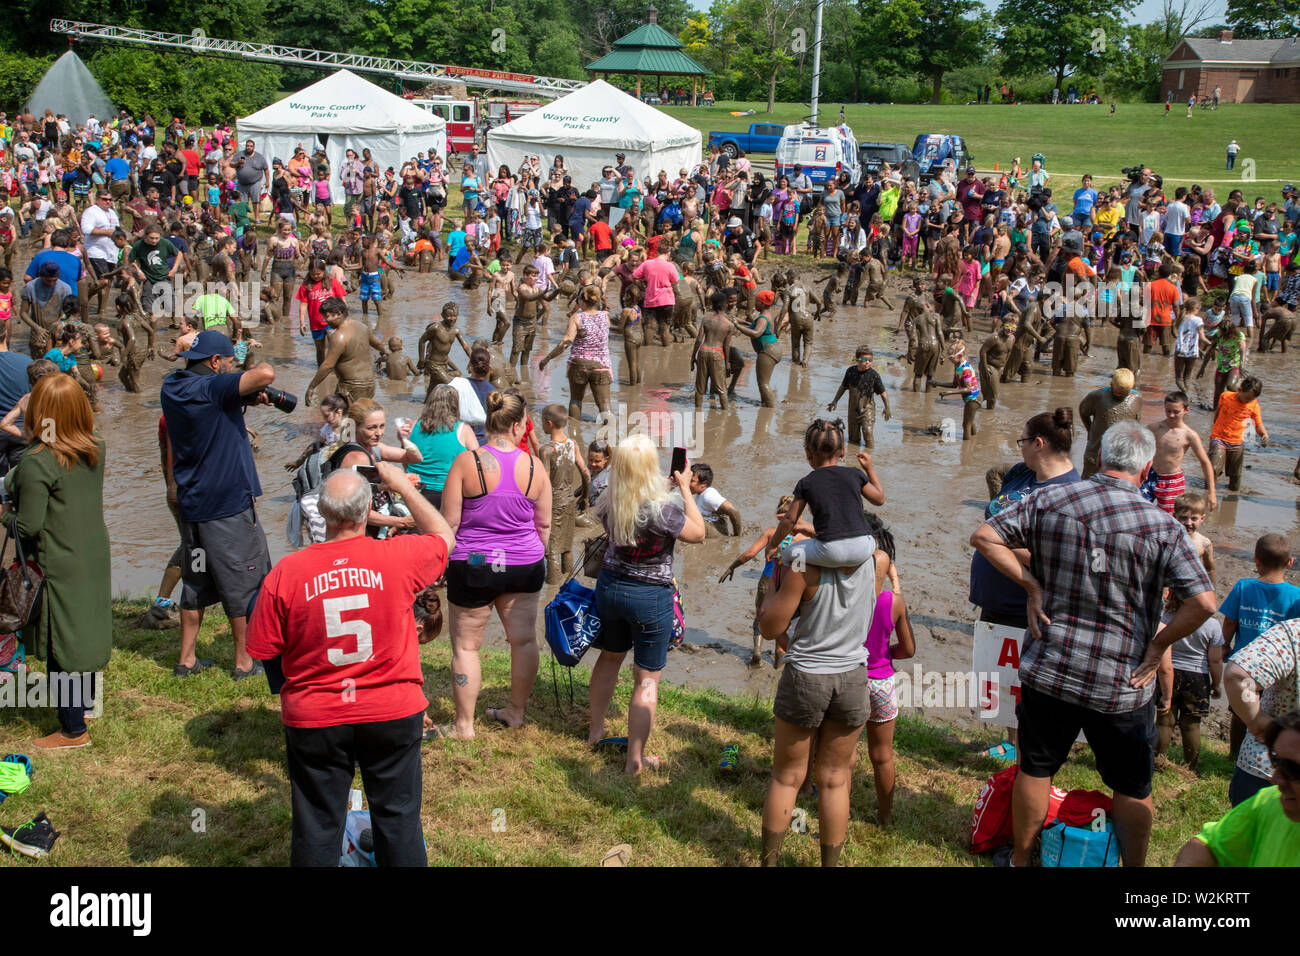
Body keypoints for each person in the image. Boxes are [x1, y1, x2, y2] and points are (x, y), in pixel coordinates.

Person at [971, 421, 1216, 867]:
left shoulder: (1049, 499)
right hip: (1122, 682)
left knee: (1036, 769)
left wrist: (1032, 586)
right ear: (1146, 469)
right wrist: (1159, 645)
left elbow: (986, 536)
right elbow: (1203, 601)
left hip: (1052, 667)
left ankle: (1022, 859)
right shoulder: (1162, 526)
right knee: (1133, 787)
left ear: (1098, 458)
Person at [247, 464, 454, 866]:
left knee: (317, 824)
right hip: (391, 711)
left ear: (322, 514)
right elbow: (443, 535)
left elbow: (262, 647)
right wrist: (401, 487)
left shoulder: (286, 572)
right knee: (398, 819)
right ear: (367, 513)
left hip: (317, 716)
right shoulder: (398, 557)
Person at [758, 475, 877, 867]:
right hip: (853, 676)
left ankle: (770, 862)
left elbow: (771, 627)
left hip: (808, 672)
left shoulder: (801, 560)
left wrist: (773, 590)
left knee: (787, 778)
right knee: (835, 779)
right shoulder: (872, 558)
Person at [159, 330, 276, 679]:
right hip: (227, 510)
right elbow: (266, 372)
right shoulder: (213, 387)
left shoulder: (173, 387)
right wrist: (237, 381)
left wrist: (239, 398)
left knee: (195, 580)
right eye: (229, 362)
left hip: (193, 507)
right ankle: (244, 662)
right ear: (215, 363)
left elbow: (209, 407)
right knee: (243, 582)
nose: (232, 367)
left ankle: (187, 659)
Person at [587, 434, 706, 774]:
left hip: (610, 587)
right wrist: (683, 488)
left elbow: (629, 504)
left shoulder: (608, 497)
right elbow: (698, 533)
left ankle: (596, 732)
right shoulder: (664, 509)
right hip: (650, 595)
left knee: (609, 658)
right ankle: (635, 761)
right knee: (647, 679)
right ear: (651, 466)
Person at [435, 391, 551, 739]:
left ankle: (464, 725)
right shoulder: (535, 465)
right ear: (518, 426)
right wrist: (530, 557)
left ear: (489, 423)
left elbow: (449, 522)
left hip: (474, 562)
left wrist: (440, 564)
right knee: (524, 641)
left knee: (467, 646)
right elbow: (543, 525)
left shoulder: (465, 462)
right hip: (524, 563)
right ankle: (515, 712)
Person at [4, 374, 110, 749]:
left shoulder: (37, 462)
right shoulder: (95, 446)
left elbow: (28, 525)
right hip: (91, 553)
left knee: (58, 643)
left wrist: (4, 511)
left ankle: (72, 730)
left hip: (56, 561)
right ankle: (85, 705)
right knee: (83, 630)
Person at [969, 408, 1079, 760]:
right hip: (996, 595)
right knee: (999, 675)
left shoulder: (1071, 492)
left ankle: (1030, 748)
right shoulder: (1020, 473)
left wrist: (1007, 545)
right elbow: (995, 501)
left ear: (1039, 443)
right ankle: (1012, 742)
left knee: (1029, 679)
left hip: (1031, 602)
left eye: (1023, 442)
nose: (1020, 449)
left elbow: (1062, 556)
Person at [1175, 711, 1300, 866]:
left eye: (1292, 769)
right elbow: (1207, 847)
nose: (1276, 779)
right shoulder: (1268, 802)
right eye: (1275, 760)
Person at [1220, 533, 1300, 761]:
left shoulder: (1243, 587)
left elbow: (1229, 622)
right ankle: (1272, 753)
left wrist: (1224, 645)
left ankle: (1235, 754)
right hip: (1276, 669)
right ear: (1290, 562)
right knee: (1273, 711)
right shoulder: (1296, 596)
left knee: (1241, 710)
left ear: (1256, 560)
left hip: (1246, 665)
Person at [1157, 590, 1224, 772]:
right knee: (1191, 725)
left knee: (1164, 720)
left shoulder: (1166, 617)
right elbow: (1215, 660)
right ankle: (1190, 767)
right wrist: (1216, 683)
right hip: (1197, 677)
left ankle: (1157, 762)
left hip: (1167, 672)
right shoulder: (1211, 625)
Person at [407, 384, 480, 509]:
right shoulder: (463, 429)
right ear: (455, 404)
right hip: (446, 491)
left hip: (414, 489)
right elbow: (478, 463)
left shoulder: (414, 425)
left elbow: (406, 460)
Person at [1208, 376, 1268, 493]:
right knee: (1214, 469)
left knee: (1235, 477)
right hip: (1219, 437)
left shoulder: (1254, 406)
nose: (1247, 401)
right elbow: (1218, 413)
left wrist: (1264, 435)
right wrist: (1215, 429)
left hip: (1237, 442)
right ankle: (1208, 492)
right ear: (1239, 390)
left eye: (1251, 399)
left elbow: (1258, 425)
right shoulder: (1225, 396)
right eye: (1246, 398)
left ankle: (1232, 498)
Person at [1078, 368, 1141, 478]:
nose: (1121, 395)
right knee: (1089, 480)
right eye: (1118, 392)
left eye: (1125, 393)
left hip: (1121, 453)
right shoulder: (1098, 396)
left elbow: (1136, 422)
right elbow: (1083, 411)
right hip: (1096, 449)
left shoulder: (1137, 398)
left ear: (1131, 389)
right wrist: (1090, 430)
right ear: (1111, 385)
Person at [826, 347, 891, 448]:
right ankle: (853, 458)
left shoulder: (874, 375)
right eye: (864, 360)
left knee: (868, 433)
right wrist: (835, 401)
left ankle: (870, 454)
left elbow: (883, 392)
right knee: (853, 440)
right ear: (857, 360)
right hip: (853, 410)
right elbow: (843, 387)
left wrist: (887, 408)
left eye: (870, 360)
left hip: (867, 409)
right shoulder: (850, 372)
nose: (867, 363)